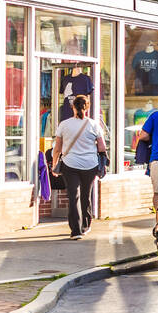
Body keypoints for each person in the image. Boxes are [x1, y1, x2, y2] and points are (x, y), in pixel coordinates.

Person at [51, 93, 107, 239]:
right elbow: (102, 147)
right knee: (86, 195)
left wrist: (55, 163)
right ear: (87, 108)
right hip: (90, 165)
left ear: (72, 107)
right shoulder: (94, 124)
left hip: (70, 165)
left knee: (73, 196)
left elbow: (57, 148)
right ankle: (86, 225)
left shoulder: (64, 124)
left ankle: (75, 230)